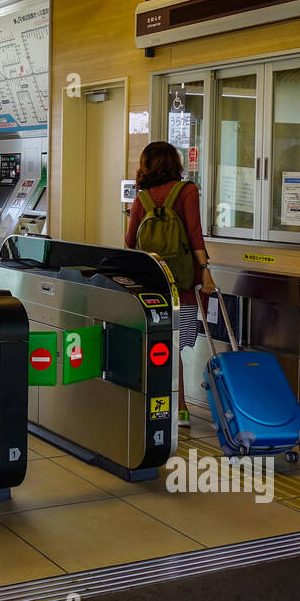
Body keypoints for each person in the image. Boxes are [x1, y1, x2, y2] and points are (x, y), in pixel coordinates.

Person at [125, 140, 217, 424]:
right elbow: (195, 234)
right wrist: (205, 270)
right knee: (174, 344)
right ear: (175, 163)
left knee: (154, 341)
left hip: (151, 283)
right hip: (182, 283)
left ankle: (152, 403)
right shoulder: (188, 191)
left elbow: (129, 242)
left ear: (147, 166)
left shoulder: (143, 199)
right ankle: (180, 409)